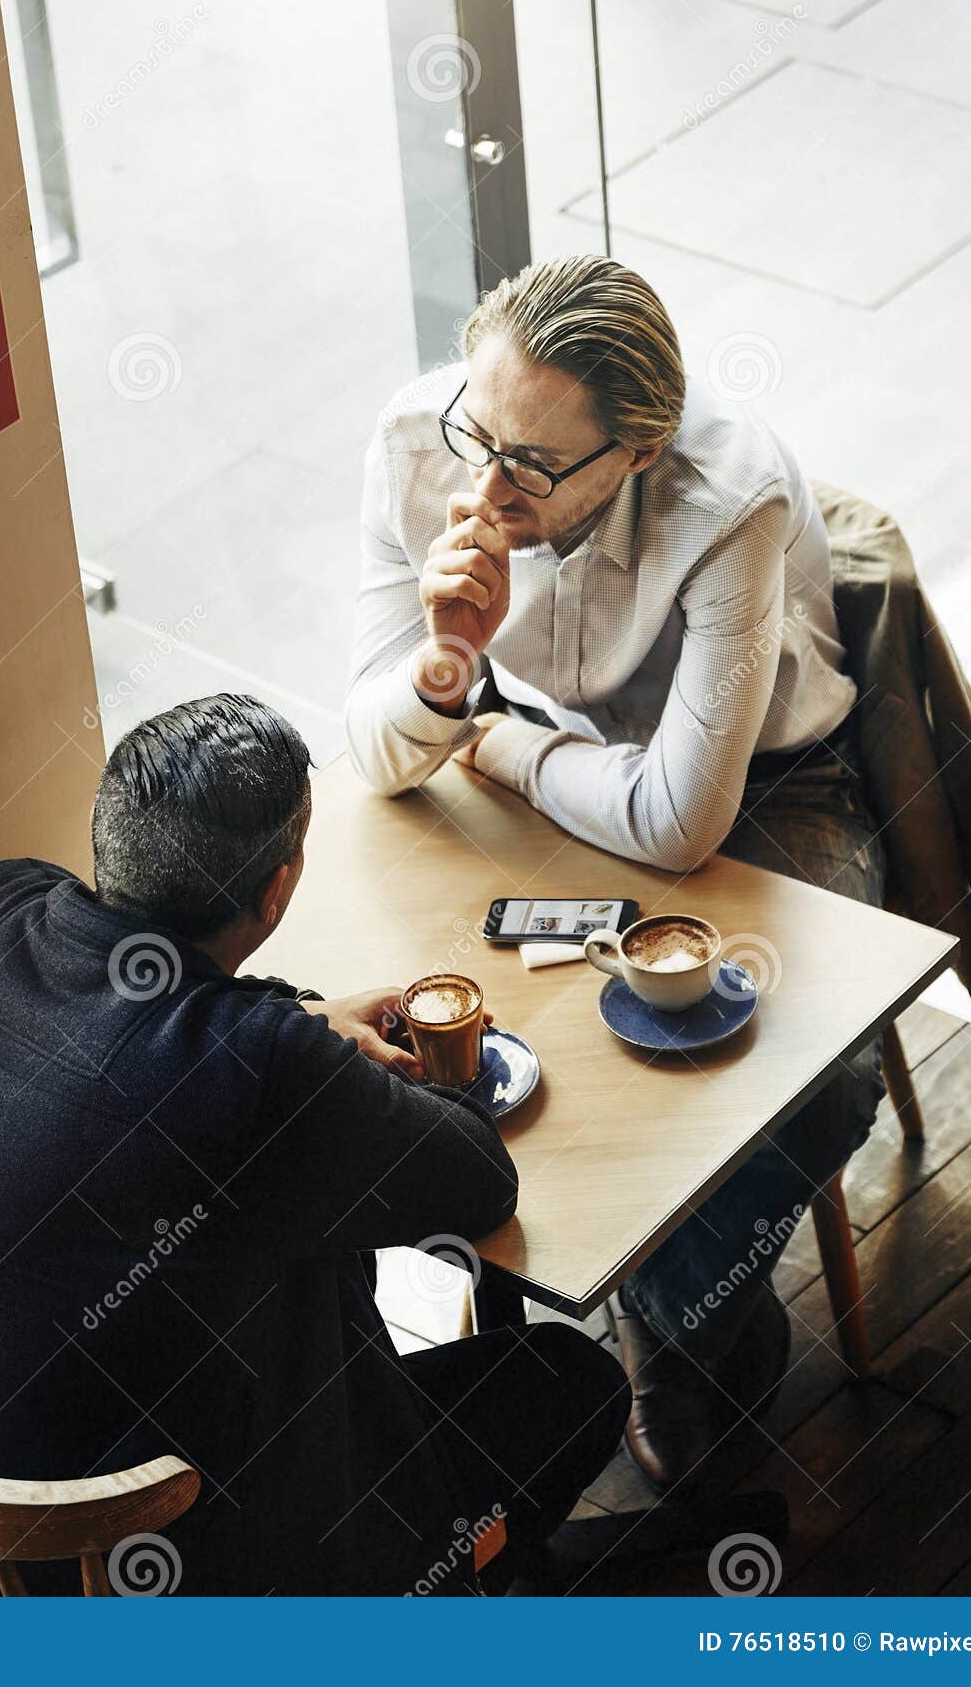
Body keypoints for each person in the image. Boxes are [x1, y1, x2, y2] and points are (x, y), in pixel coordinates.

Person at [0, 694, 628, 1595]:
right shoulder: (259, 1068)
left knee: (294, 1263)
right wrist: (436, 1062)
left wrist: (301, 1025)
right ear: (278, 888)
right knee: (575, 1382)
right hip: (177, 1573)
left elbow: (146, 1044)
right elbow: (477, 1182)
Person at [345, 255, 887, 1490]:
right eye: (477, 430)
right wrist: (443, 668)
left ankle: (687, 1327)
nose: (485, 485)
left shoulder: (728, 498)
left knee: (821, 1075)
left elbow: (684, 820)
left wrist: (500, 739)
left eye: (532, 465)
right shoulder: (409, 443)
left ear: (637, 450)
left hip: (775, 784)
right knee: (434, 1000)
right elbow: (374, 750)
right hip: (547, 751)